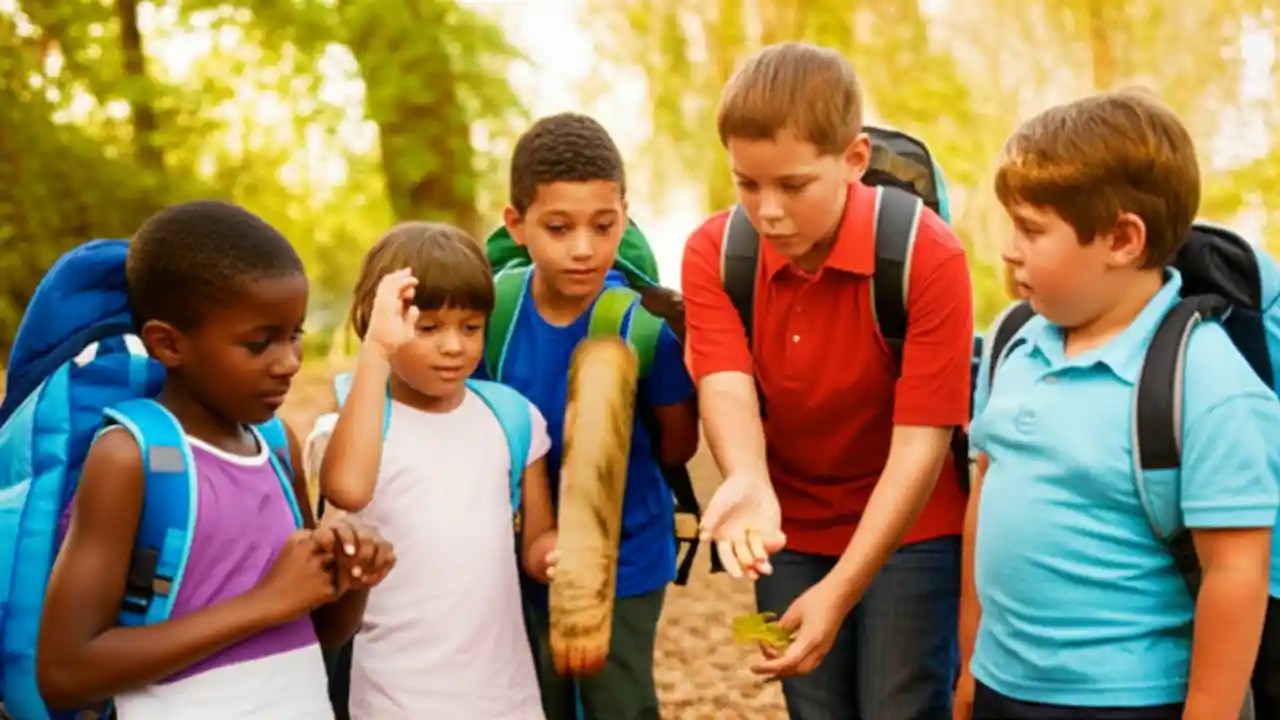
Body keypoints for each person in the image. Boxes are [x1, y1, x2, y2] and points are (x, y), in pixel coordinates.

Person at [959, 91, 1280, 720]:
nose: (1009, 249)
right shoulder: (1013, 344)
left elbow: (1237, 573)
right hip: (1003, 684)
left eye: (1030, 229)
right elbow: (984, 504)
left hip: (1129, 701)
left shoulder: (1206, 380)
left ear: (1122, 239)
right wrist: (970, 669)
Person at [679, 42, 974, 719]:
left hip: (912, 526)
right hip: (787, 527)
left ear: (854, 160)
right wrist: (747, 479)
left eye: (792, 185)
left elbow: (923, 442)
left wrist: (842, 592)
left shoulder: (927, 256)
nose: (767, 211)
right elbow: (725, 382)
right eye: (746, 184)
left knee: (899, 704)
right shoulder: (714, 253)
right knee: (813, 704)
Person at [35, 200, 394, 719]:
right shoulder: (131, 459)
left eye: (294, 335)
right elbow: (65, 675)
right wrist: (263, 604)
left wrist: (350, 580)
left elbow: (321, 631)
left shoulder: (275, 445)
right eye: (258, 343)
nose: (289, 362)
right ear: (168, 344)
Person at [476, 112, 699, 720]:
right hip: (515, 550)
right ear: (516, 225)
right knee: (531, 697)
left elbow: (678, 445)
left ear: (624, 216)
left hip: (624, 553)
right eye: (557, 227)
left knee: (617, 699)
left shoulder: (645, 327)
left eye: (603, 227)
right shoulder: (490, 312)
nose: (583, 248)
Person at [318, 222, 557, 719]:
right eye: (427, 328)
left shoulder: (511, 418)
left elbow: (536, 543)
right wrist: (376, 352)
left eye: (470, 327)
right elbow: (348, 489)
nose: (454, 346)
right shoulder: (350, 426)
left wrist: (558, 555)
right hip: (392, 694)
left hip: (503, 693)